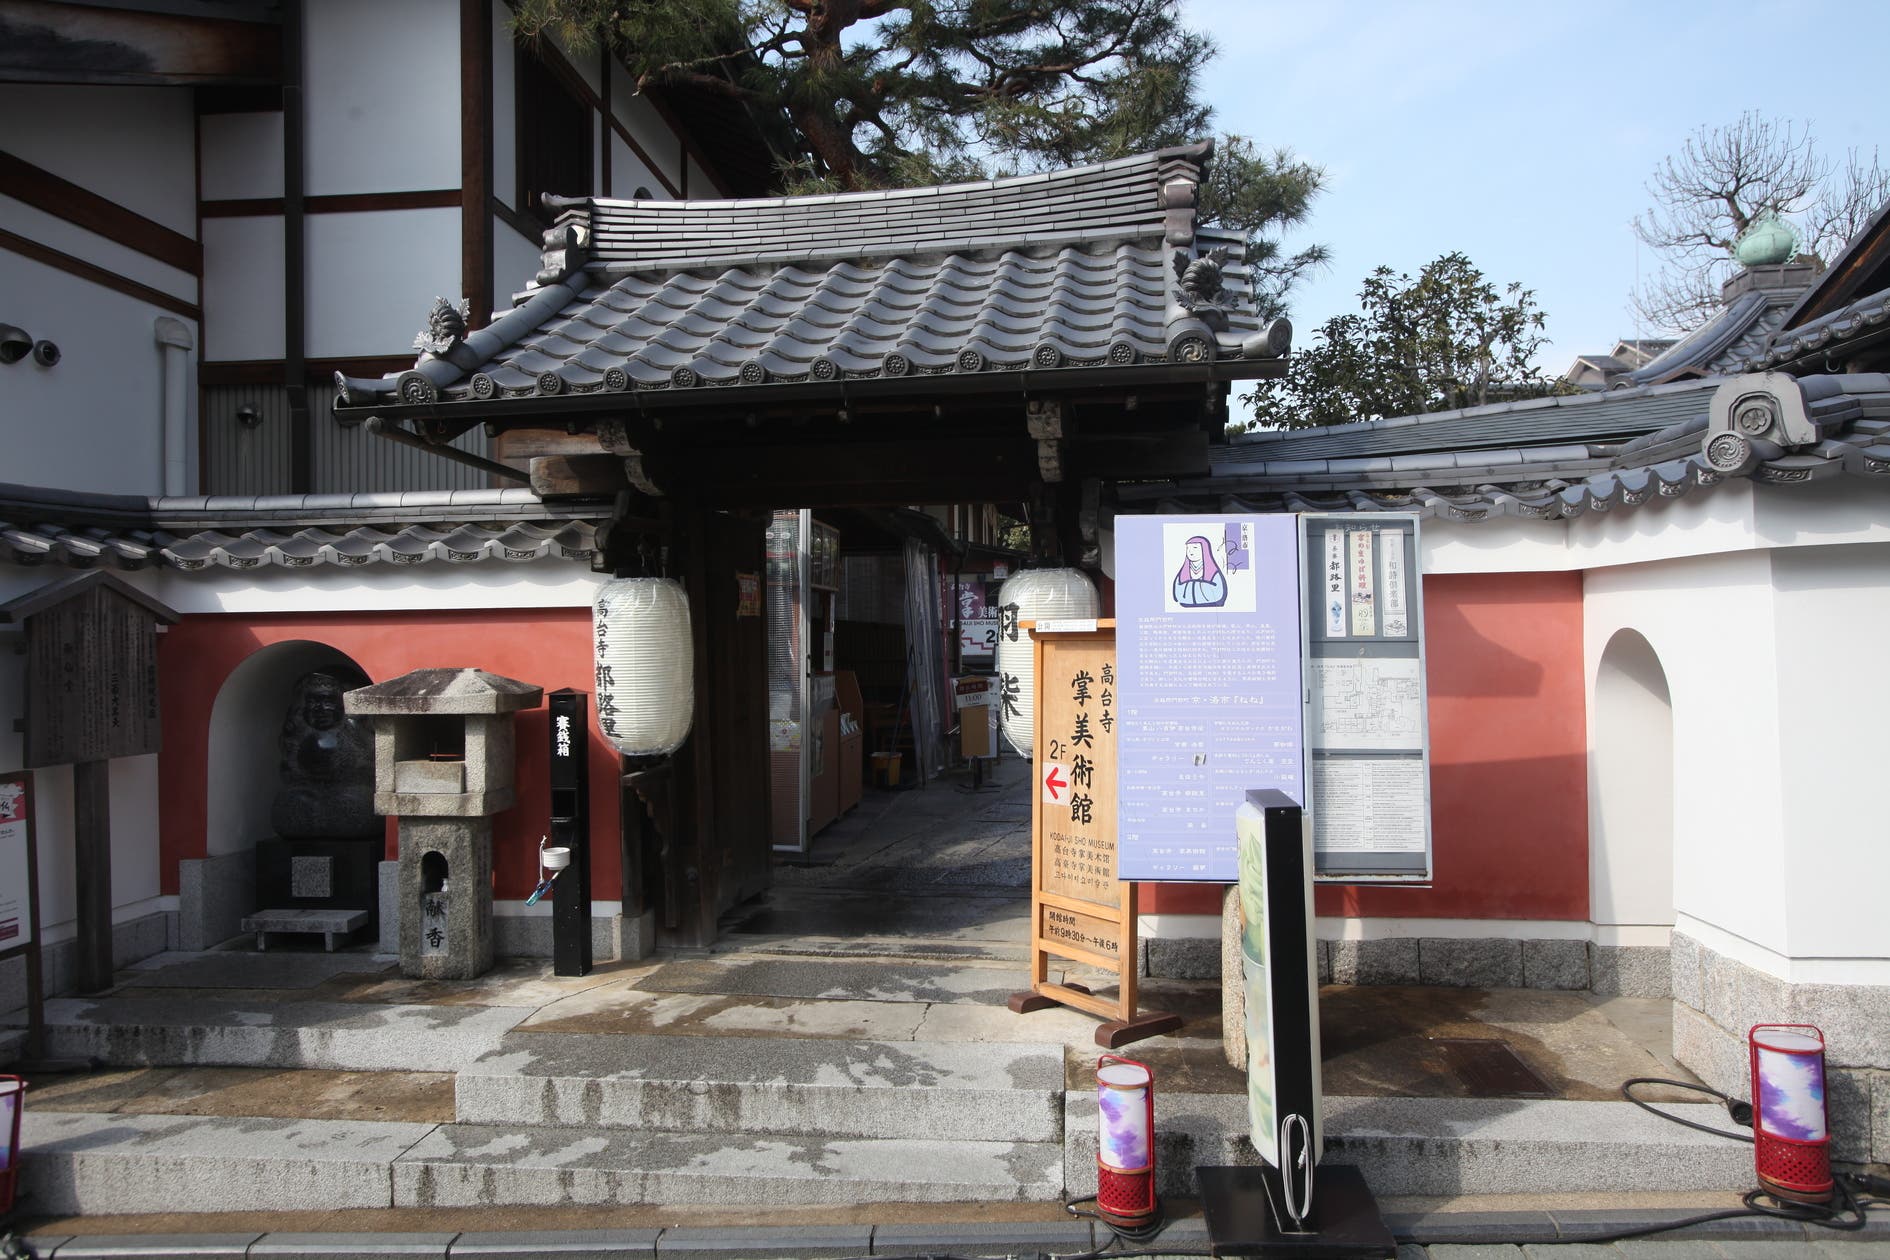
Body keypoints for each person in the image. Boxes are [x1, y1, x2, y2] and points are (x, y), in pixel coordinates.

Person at [1172, 535, 1227, 608]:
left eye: (1195, 548)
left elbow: (1219, 592)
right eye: (1188, 548)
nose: (1190, 551)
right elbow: (1177, 591)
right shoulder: (1184, 571)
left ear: (1204, 550)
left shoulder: (1213, 571)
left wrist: (1191, 585)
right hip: (1186, 605)